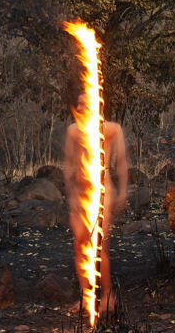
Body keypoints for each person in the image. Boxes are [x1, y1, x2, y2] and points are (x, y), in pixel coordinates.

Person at [63, 93, 129, 316]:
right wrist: (71, 194)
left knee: (99, 246)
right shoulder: (73, 131)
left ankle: (108, 295)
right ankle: (85, 297)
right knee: (80, 244)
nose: (79, 106)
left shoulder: (111, 129)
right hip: (80, 194)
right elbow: (69, 165)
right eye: (78, 103)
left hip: (102, 193)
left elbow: (121, 164)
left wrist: (122, 193)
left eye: (84, 103)